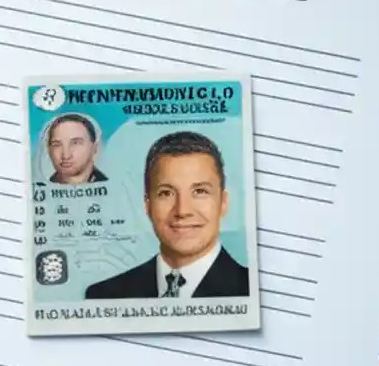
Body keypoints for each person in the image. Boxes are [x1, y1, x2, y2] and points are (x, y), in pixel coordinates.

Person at [85, 131, 248, 299]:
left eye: (200, 191)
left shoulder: (250, 290)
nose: (182, 211)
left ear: (223, 202)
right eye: (166, 193)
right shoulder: (103, 295)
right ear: (147, 204)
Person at [43, 114, 107, 184]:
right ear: (48, 149)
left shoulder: (112, 188)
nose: (66, 156)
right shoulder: (43, 187)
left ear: (94, 148)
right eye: (57, 145)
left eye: (75, 143)